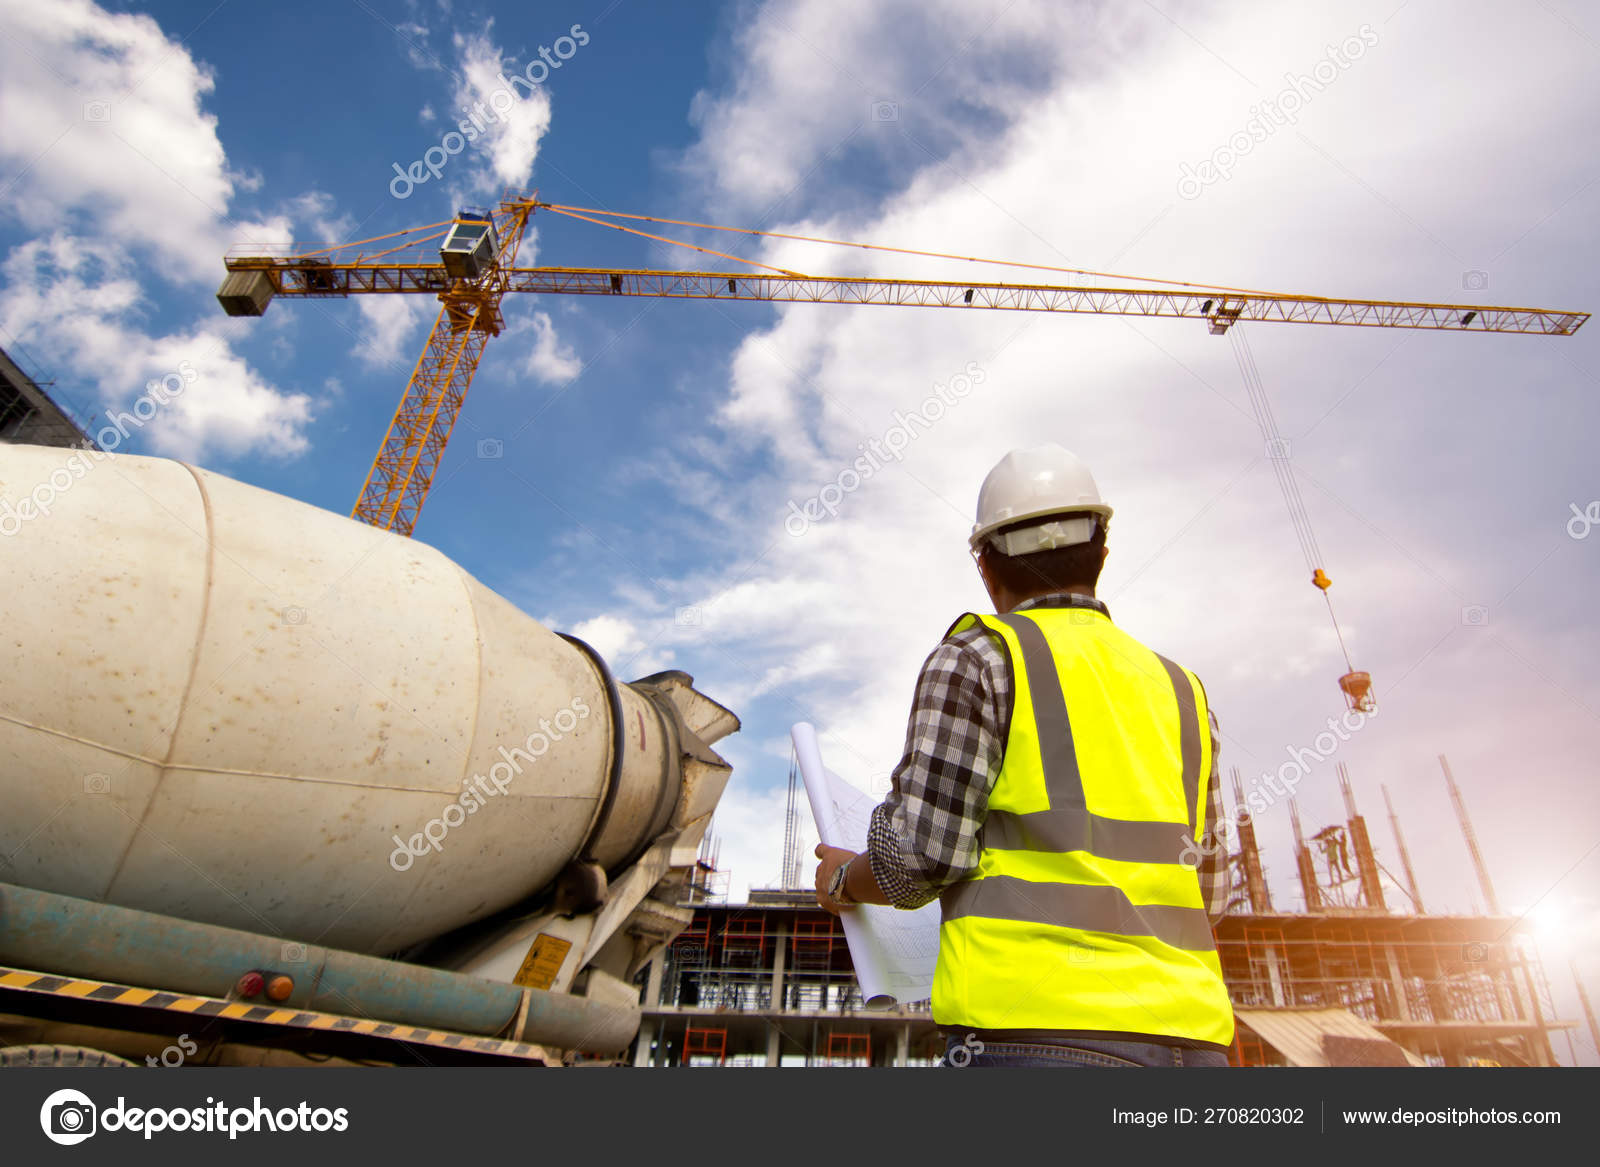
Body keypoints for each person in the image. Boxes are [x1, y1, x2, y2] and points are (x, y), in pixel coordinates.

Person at [813, 445, 1234, 1068]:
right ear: (1103, 554)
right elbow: (1214, 892)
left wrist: (846, 881)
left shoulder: (979, 658)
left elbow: (921, 856)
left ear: (986, 566)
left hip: (1034, 1038)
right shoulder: (1183, 690)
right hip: (1195, 1046)